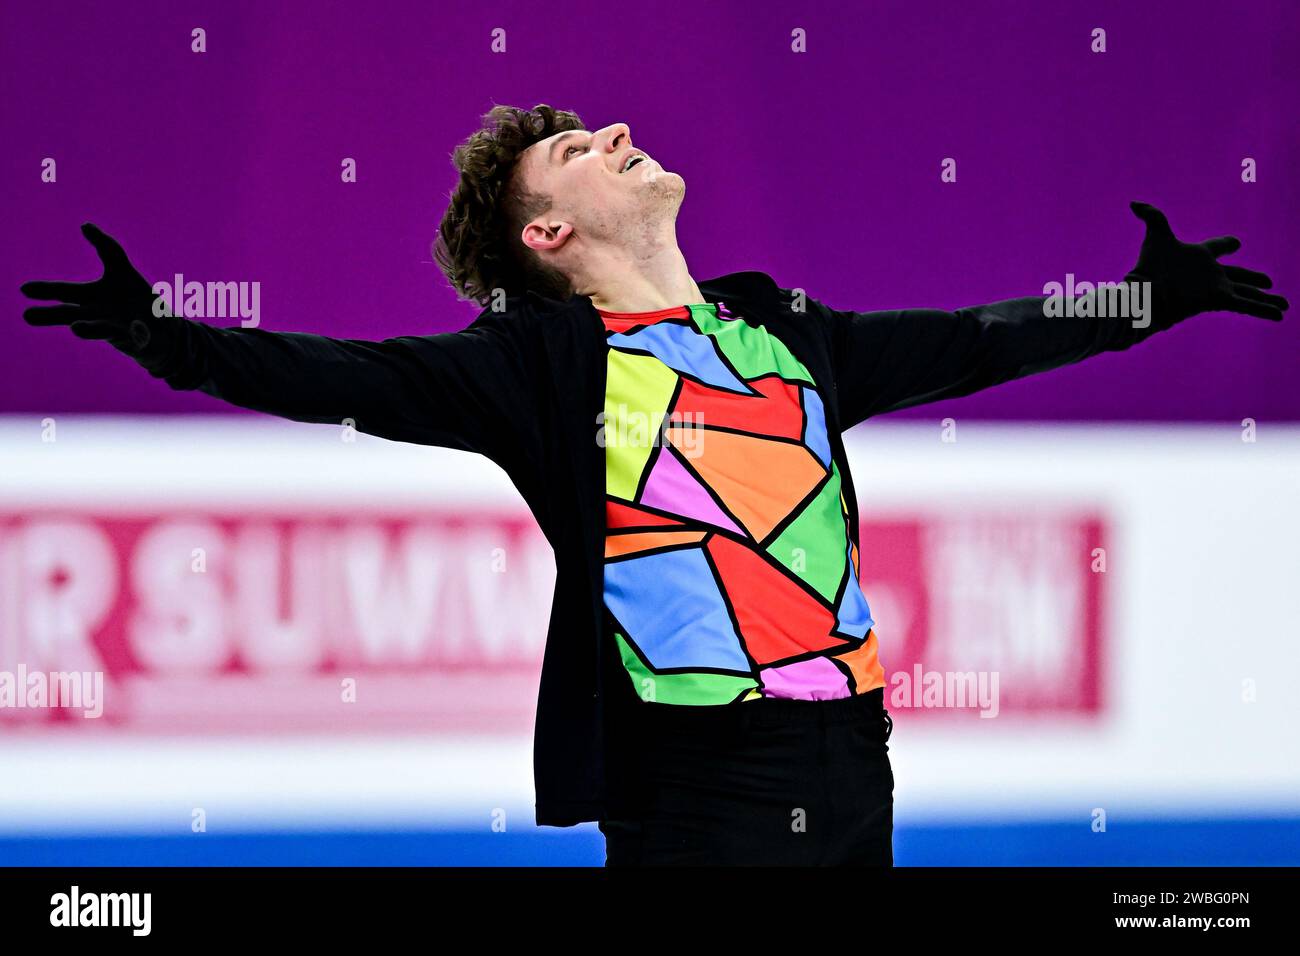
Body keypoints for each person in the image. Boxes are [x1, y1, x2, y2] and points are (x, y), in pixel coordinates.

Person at [20, 103, 1288, 866]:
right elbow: (336, 372)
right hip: (695, 776)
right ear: (547, 236)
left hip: (853, 754)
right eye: (578, 149)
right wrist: (161, 333)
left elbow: (973, 337)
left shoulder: (776, 330)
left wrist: (1142, 302)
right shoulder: (537, 362)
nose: (620, 135)